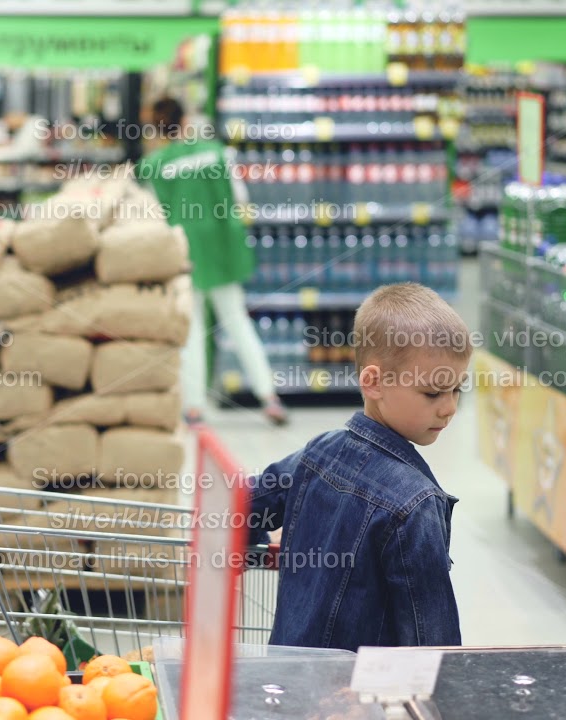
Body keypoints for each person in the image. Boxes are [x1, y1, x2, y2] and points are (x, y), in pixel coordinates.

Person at [248, 282, 471, 650]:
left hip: (287, 678)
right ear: (374, 382)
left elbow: (242, 505)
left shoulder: (317, 452)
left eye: (457, 389)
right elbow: (431, 640)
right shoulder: (415, 505)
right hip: (360, 700)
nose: (449, 407)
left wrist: (258, 548)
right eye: (432, 392)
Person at [135, 97, 288, 427]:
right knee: (237, 321)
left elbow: (154, 215)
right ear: (186, 119)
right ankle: (269, 396)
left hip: (184, 252)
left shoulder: (155, 165)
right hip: (223, 248)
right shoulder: (218, 152)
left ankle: (194, 407)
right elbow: (240, 199)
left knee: (192, 330)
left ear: (158, 128)